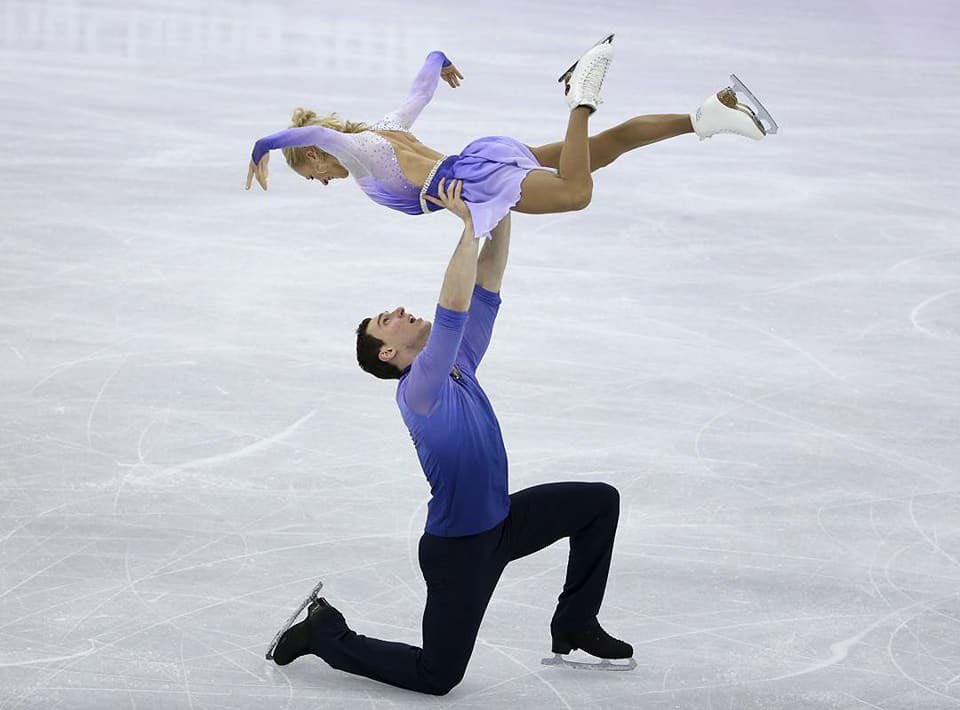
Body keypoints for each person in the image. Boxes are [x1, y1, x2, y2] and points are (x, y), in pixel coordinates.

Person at [270, 179, 633, 694]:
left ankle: (575, 623)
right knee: (438, 676)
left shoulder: (456, 361)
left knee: (599, 503)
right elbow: (453, 305)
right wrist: (468, 226)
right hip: (459, 549)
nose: (397, 310)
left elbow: (486, 283)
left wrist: (502, 205)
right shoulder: (419, 390)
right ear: (388, 355)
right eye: (385, 321)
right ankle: (325, 634)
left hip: (504, 523)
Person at [245, 36, 772, 238]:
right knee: (603, 150)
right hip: (478, 157)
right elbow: (422, 84)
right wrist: (438, 58)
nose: (319, 181)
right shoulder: (387, 126)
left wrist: (262, 147)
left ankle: (579, 93)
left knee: (575, 191)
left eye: (309, 173)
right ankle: (707, 115)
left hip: (468, 179)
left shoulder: (356, 152)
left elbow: (312, 130)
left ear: (314, 155)